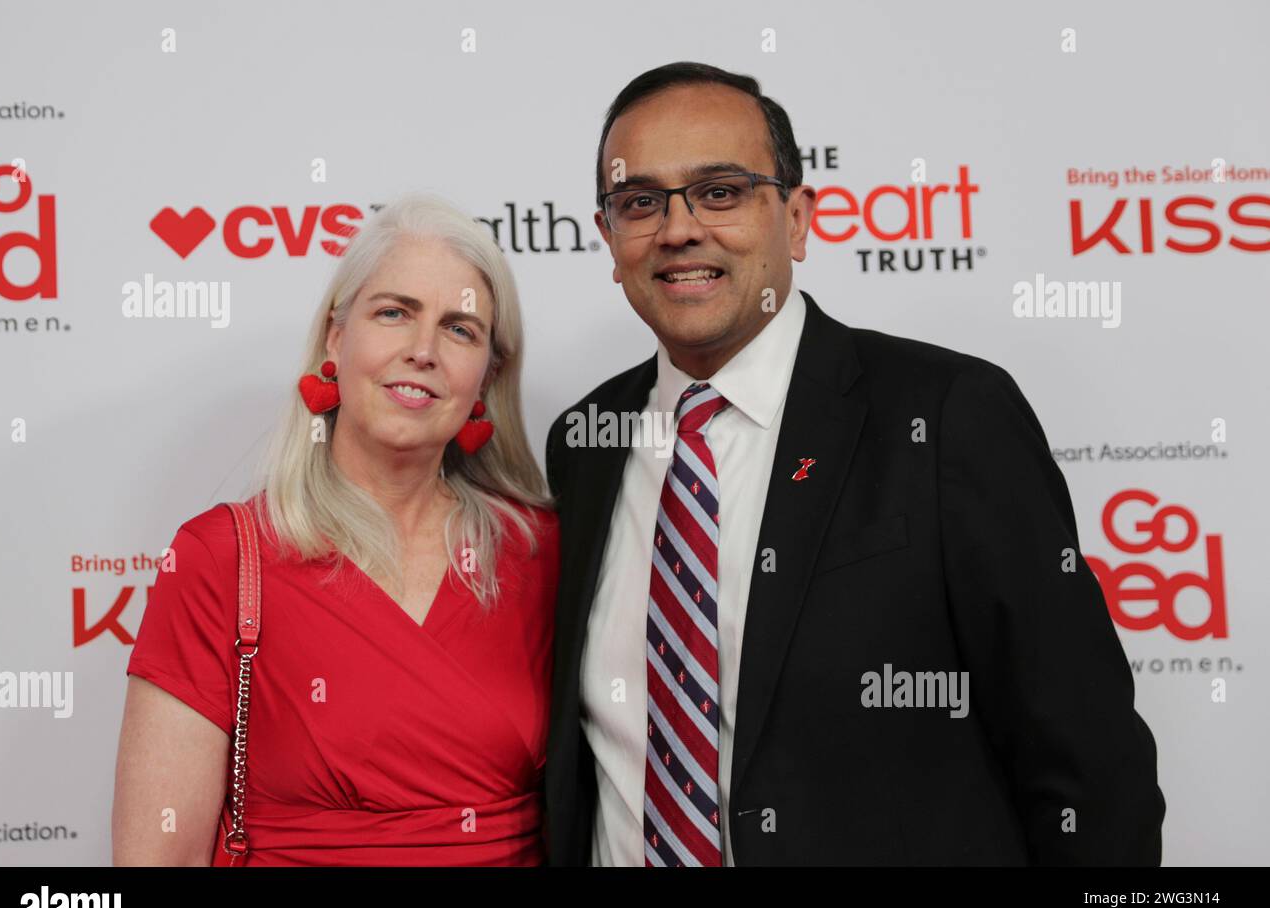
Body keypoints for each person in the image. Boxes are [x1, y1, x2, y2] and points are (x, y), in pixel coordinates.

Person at [543, 62, 1165, 866]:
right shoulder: (585, 442)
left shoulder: (946, 415)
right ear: (609, 238)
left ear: (797, 219)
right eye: (640, 202)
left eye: (722, 191)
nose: (678, 229)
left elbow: (1091, 768)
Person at [112, 194, 557, 865]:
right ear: (336, 336)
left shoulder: (541, 553)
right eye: (394, 313)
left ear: (487, 376)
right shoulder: (222, 558)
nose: (423, 351)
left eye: (460, 329)